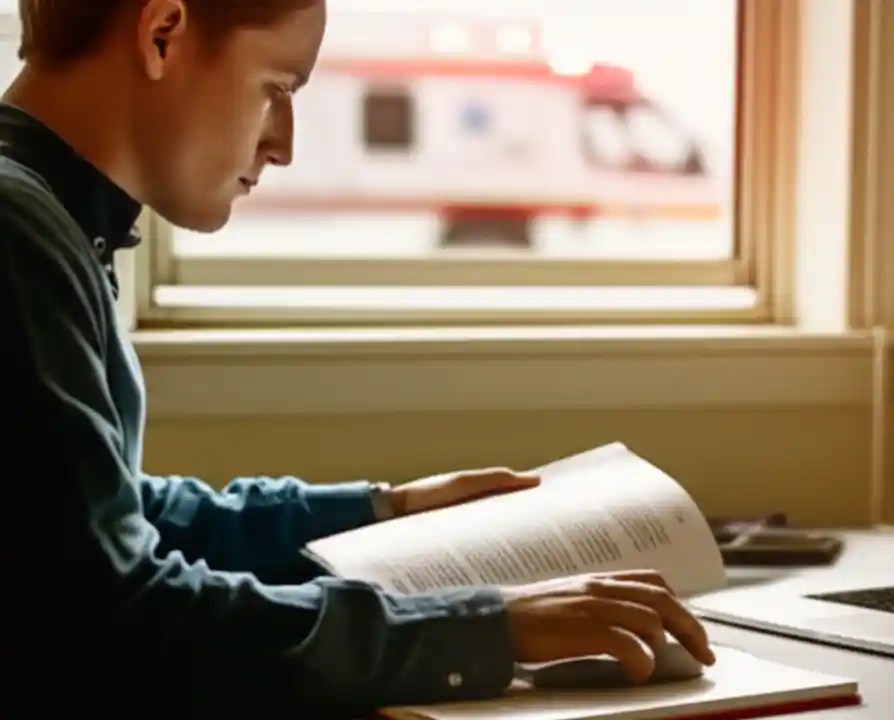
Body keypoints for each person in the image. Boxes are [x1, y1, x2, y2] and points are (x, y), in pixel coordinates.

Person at [0, 1, 715, 717]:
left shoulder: (53, 220)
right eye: (276, 88)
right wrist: (482, 631)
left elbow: (111, 521)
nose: (283, 145)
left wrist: (381, 512)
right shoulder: (17, 232)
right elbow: (115, 619)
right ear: (162, 35)